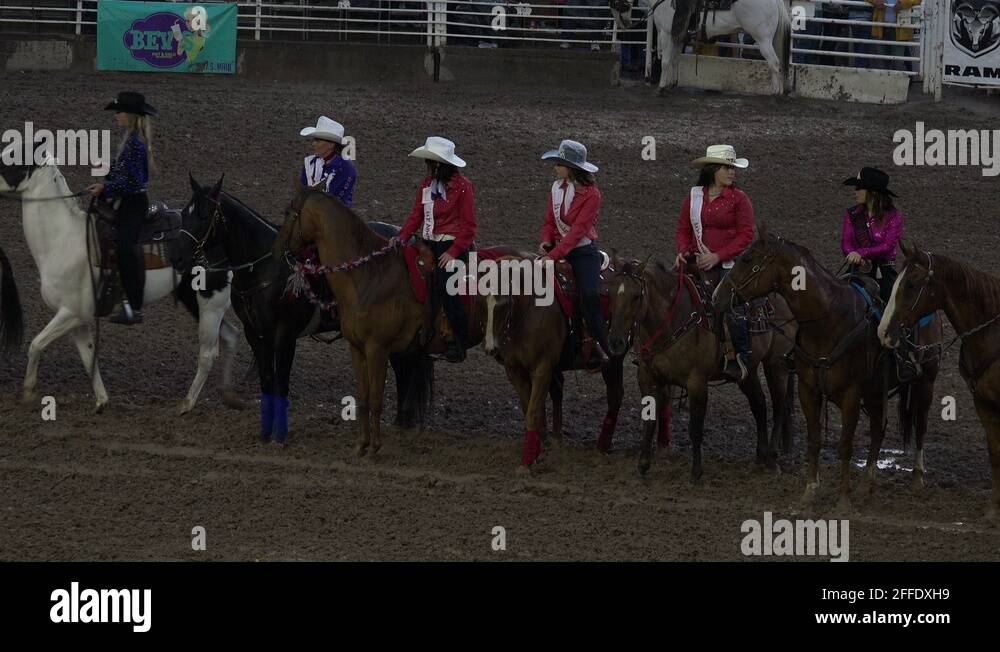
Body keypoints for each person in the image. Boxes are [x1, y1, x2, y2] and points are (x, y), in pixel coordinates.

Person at [675, 144, 755, 382]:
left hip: (731, 263)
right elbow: (683, 229)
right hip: (697, 259)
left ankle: (739, 356)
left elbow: (746, 235)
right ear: (712, 170)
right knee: (668, 291)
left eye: (733, 168)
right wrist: (683, 250)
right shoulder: (694, 196)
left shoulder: (739, 199)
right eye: (727, 168)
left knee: (731, 305)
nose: (732, 172)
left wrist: (718, 256)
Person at [398, 136, 477, 363]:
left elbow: (470, 226)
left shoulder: (463, 188)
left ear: (440, 165)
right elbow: (417, 215)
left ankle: (459, 343)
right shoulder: (426, 185)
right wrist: (402, 236)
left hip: (453, 243)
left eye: (430, 163)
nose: (427, 167)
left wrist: (453, 252)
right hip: (429, 240)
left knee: (447, 286)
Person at [87, 91, 156, 326]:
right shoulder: (131, 139)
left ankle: (135, 307)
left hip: (134, 205)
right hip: (128, 201)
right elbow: (124, 172)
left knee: (126, 248)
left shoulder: (135, 143)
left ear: (130, 115)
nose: (116, 115)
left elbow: (134, 182)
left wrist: (105, 189)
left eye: (119, 111)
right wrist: (107, 169)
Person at [539, 139, 610, 367]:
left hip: (582, 253)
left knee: (589, 294)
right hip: (559, 249)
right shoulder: (555, 188)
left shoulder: (592, 195)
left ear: (571, 167)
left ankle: (600, 344)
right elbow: (550, 220)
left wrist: (552, 256)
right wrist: (545, 241)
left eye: (559, 163)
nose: (555, 167)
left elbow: (578, 232)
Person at [840, 167, 903, 303]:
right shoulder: (851, 214)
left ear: (873, 193)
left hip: (883, 271)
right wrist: (854, 255)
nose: (855, 191)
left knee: (893, 307)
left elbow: (887, 246)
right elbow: (846, 243)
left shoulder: (894, 216)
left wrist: (861, 253)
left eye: (859, 187)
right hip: (856, 267)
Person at [299, 116, 356, 206]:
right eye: (314, 140)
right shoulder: (310, 163)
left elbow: (335, 199)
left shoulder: (345, 167)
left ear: (331, 144)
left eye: (317, 141)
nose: (313, 143)